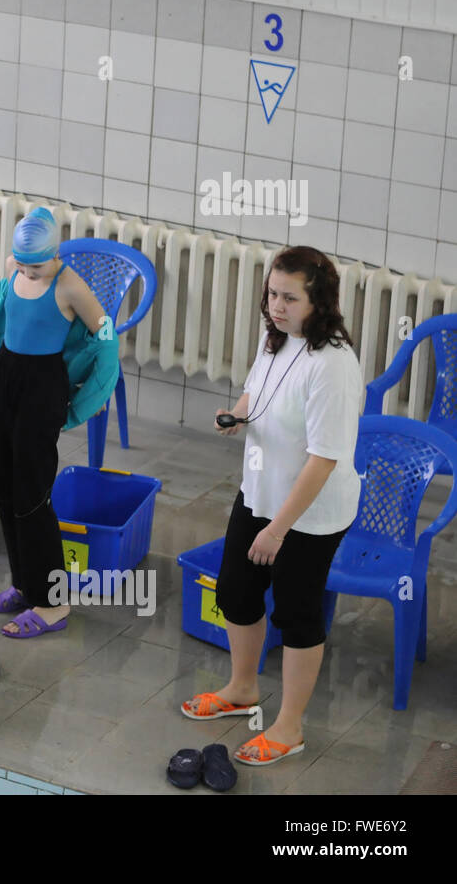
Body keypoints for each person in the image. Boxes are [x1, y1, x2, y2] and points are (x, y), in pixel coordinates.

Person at [181, 246, 362, 767]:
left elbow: (324, 459)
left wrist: (279, 530)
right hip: (259, 492)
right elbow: (256, 394)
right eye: (272, 293)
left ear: (318, 300)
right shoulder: (276, 339)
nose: (275, 305)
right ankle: (242, 689)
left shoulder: (333, 366)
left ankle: (290, 727)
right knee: (236, 593)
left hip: (310, 513)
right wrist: (237, 417)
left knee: (297, 614)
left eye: (289, 297)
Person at [0, 207, 107, 639]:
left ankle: (53, 602)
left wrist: (95, 377)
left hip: (42, 387)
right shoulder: (15, 271)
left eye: (36, 266)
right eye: (21, 264)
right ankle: (26, 583)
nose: (28, 272)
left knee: (33, 497)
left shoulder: (71, 286)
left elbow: (104, 333)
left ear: (55, 256)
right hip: (8, 376)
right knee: (5, 486)